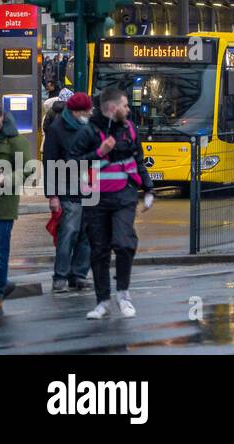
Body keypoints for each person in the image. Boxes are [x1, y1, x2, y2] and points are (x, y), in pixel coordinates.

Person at [84, 88, 154, 320]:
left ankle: (123, 293)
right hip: (96, 198)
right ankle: (102, 301)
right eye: (124, 106)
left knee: (124, 243)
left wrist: (148, 189)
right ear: (113, 109)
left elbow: (138, 159)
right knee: (99, 250)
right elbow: (73, 162)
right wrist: (98, 153)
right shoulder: (90, 131)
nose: (128, 109)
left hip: (124, 195)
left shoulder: (130, 129)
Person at [42, 91, 97, 293]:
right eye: (87, 110)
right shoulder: (57, 129)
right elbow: (49, 162)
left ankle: (78, 274)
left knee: (87, 233)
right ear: (76, 111)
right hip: (66, 186)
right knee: (69, 232)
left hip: (88, 185)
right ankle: (61, 277)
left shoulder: (88, 127)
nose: (90, 113)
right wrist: (53, 195)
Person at [0, 106, 33, 317]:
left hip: (3, 206)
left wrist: (5, 179)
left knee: (0, 255)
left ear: (1, 117)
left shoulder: (15, 140)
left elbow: (29, 168)